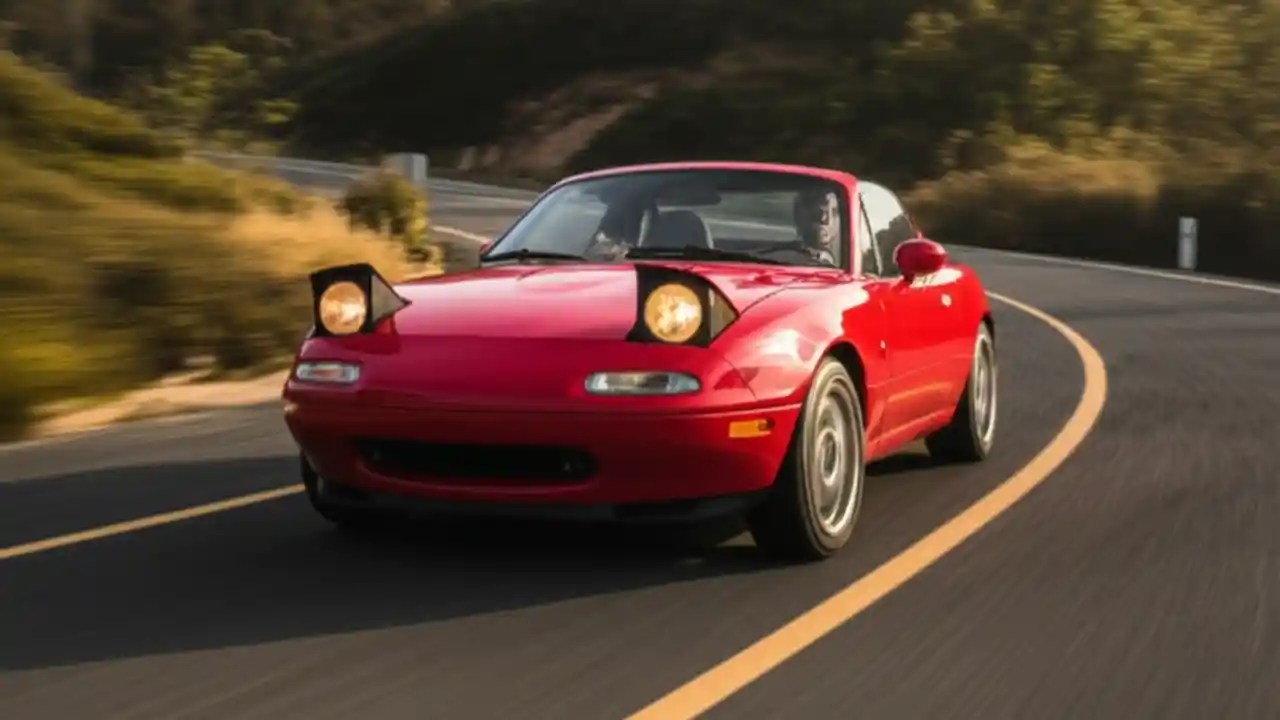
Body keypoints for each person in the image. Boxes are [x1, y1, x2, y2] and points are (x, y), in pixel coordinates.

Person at [792, 188, 840, 265]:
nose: (825, 219)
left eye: (834, 212)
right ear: (797, 215)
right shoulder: (779, 259)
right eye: (816, 213)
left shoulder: (854, 259)